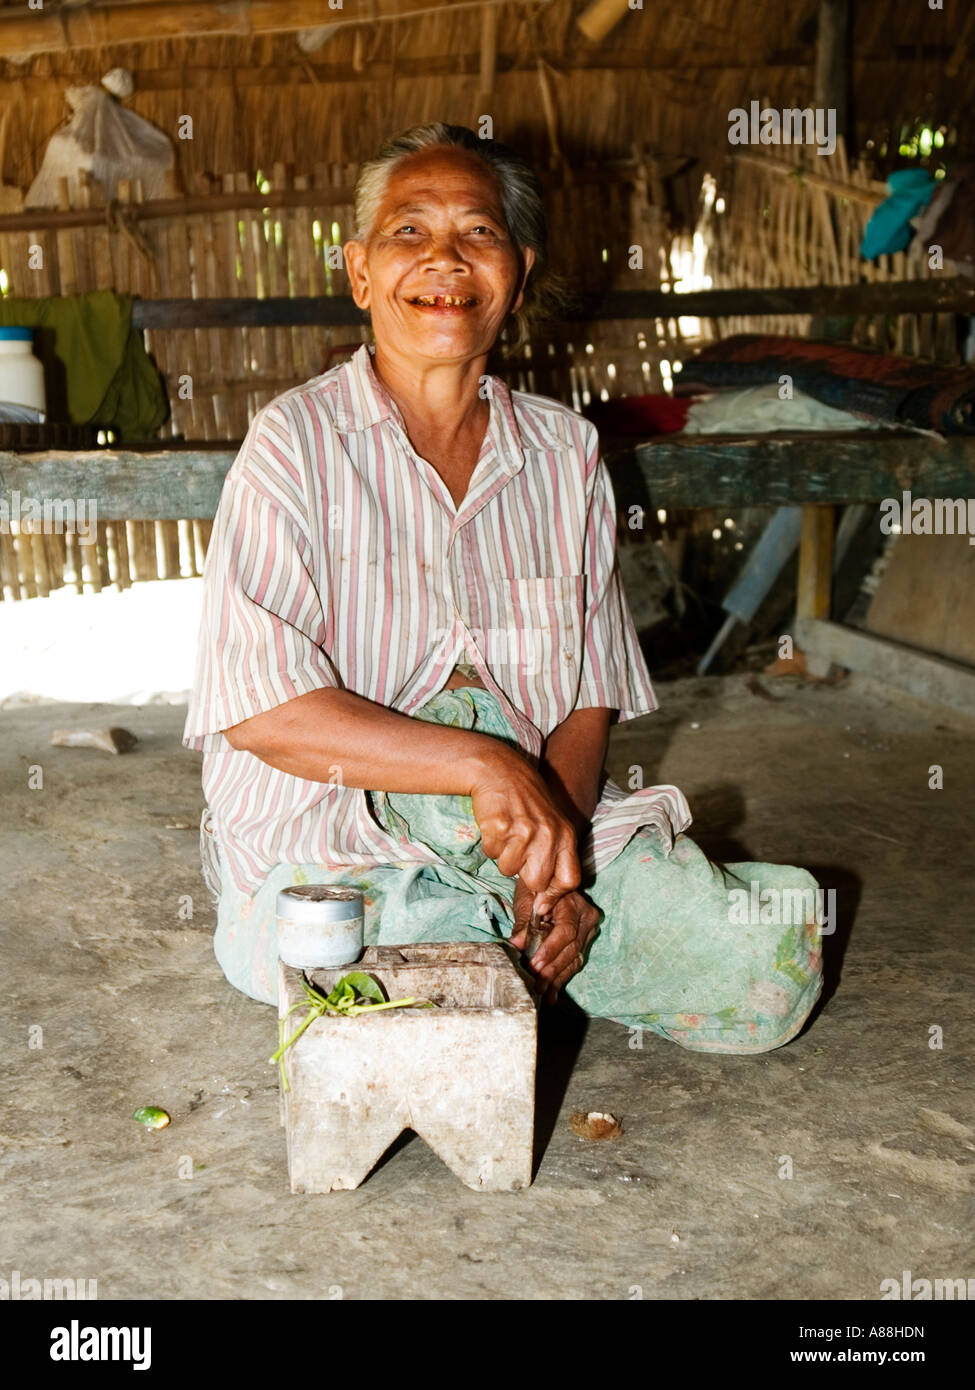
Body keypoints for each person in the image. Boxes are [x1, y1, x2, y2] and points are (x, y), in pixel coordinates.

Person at [183, 123, 823, 1052]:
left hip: (528, 827)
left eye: (476, 233)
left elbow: (586, 698)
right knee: (431, 980)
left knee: (762, 977)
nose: (443, 257)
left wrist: (553, 869)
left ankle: (535, 942)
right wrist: (486, 765)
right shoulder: (294, 447)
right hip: (339, 845)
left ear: (516, 273)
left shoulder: (565, 453)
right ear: (360, 273)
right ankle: (475, 957)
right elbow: (266, 714)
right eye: (409, 232)